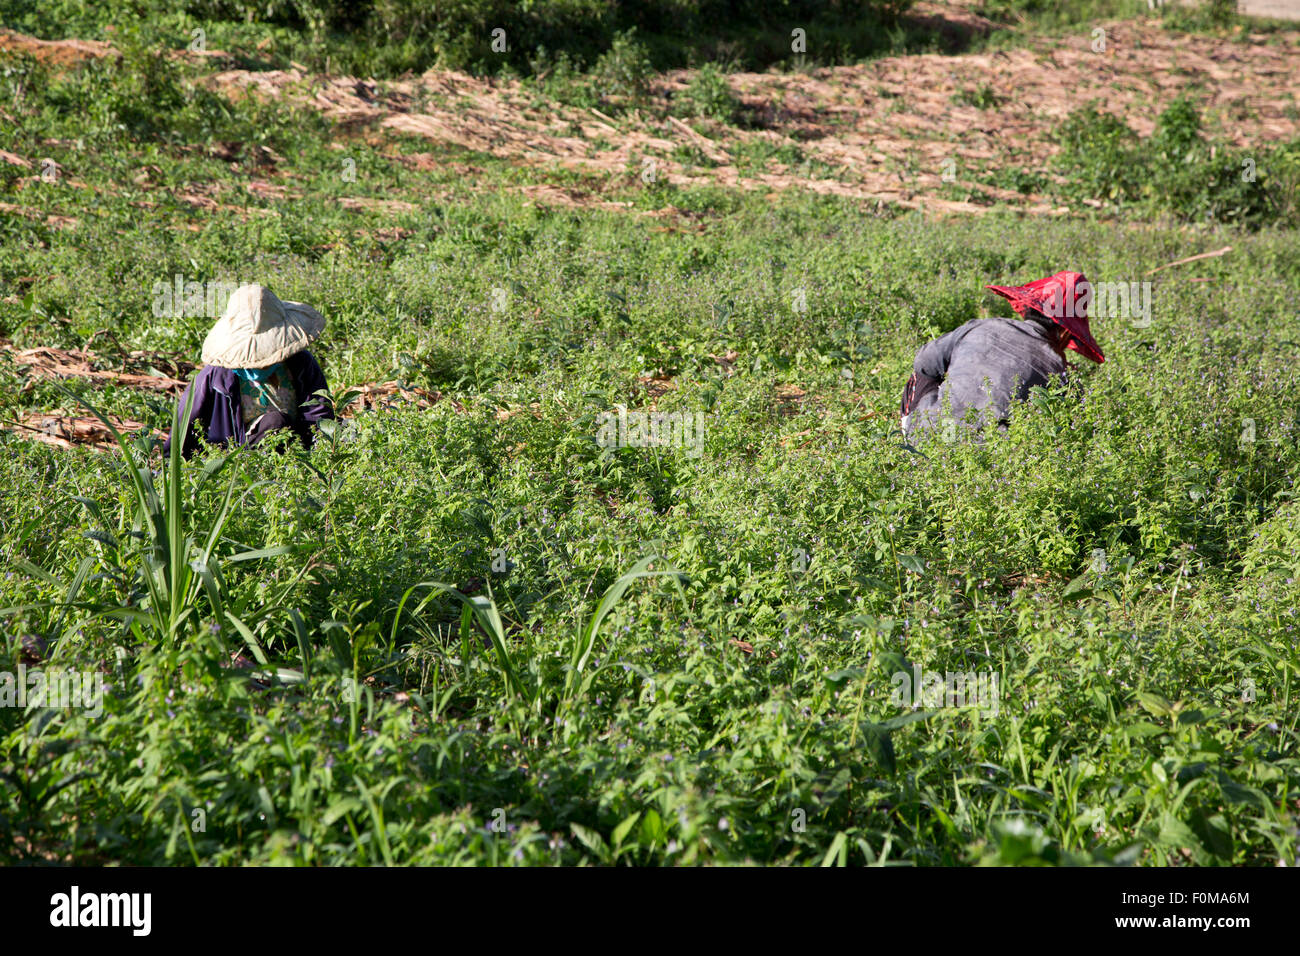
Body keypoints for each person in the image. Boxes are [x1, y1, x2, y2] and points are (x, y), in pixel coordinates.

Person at [900, 270, 1105, 439]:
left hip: (932, 434)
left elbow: (924, 361)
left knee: (923, 374)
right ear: (1067, 330)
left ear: (1027, 307)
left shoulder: (984, 325)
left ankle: (908, 436)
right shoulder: (1060, 371)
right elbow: (1074, 425)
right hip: (990, 457)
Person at [164, 284, 335, 458]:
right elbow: (186, 419)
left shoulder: (300, 364)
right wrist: (173, 460)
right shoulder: (216, 376)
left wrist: (321, 451)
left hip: (294, 452)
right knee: (274, 421)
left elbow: (318, 411)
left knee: (276, 421)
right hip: (236, 457)